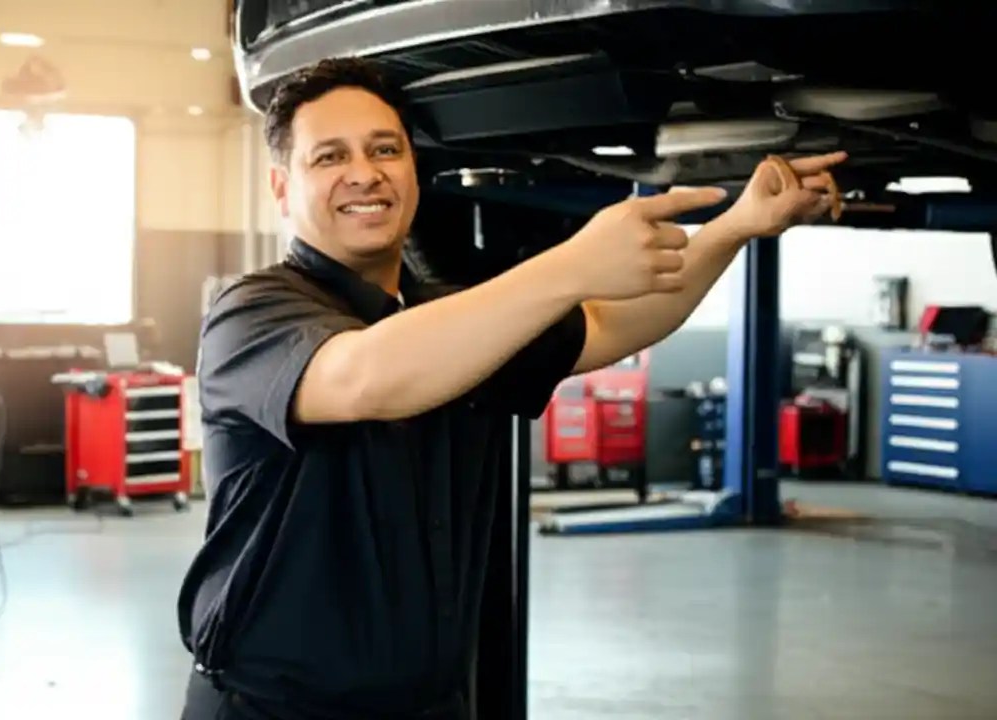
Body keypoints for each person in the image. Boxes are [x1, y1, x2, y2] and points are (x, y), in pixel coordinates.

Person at [177, 57, 845, 720]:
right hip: (270, 709)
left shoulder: (462, 316)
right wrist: (569, 266)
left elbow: (614, 325)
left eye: (387, 149)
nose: (365, 173)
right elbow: (365, 378)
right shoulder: (253, 314)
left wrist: (738, 227)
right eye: (329, 157)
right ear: (281, 187)